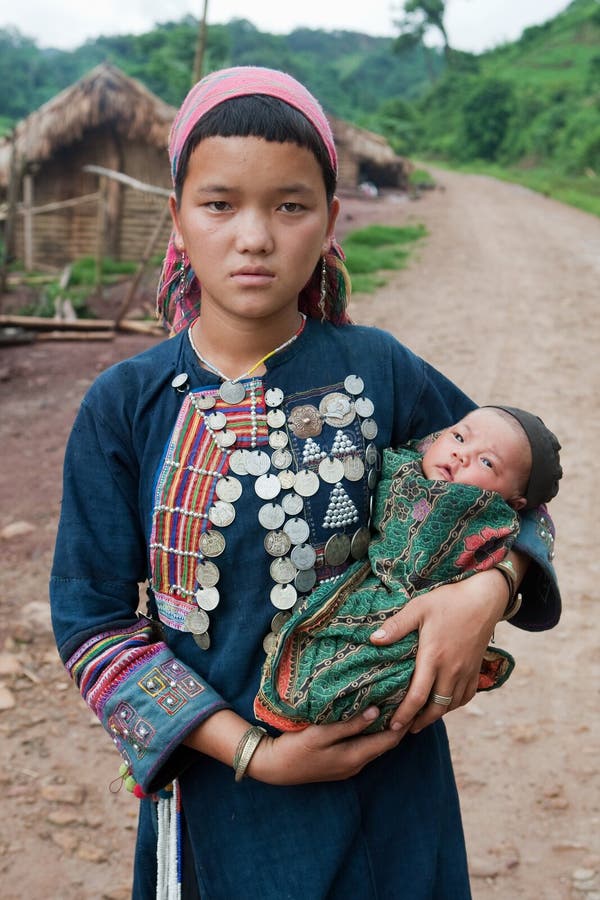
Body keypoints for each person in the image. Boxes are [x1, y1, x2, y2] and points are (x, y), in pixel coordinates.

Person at [50, 67, 561, 900]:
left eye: (290, 206)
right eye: (220, 204)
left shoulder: (380, 370)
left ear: (330, 219)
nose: (254, 237)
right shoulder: (123, 408)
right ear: (176, 218)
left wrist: (487, 590)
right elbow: (92, 627)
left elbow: (521, 498)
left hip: (394, 794)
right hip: (225, 802)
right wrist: (256, 754)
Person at [255, 406, 562, 732]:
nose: (461, 454)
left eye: (487, 462)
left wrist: (497, 584)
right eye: (459, 437)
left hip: (414, 616)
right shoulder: (408, 463)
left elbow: (537, 509)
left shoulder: (404, 384)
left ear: (514, 504)